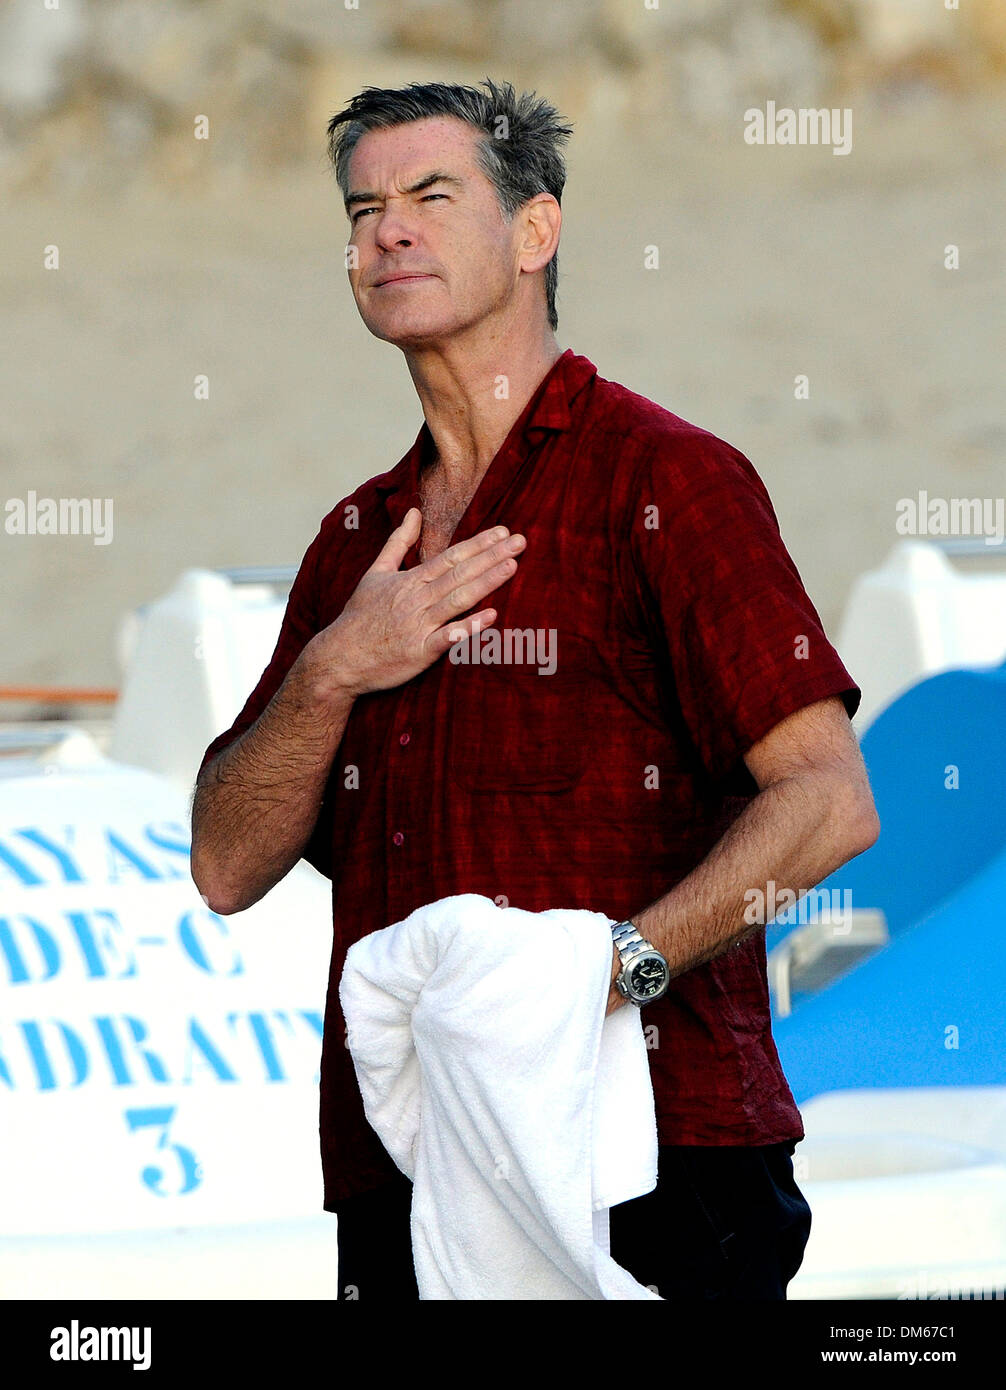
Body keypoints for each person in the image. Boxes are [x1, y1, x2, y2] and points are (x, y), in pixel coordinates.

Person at [190, 78, 879, 1301]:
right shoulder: (354, 545)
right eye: (362, 211)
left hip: (659, 1160)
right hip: (408, 1165)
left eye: (429, 196)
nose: (385, 232)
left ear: (534, 232)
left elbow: (827, 803)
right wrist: (332, 667)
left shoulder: (669, 482)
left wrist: (601, 978)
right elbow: (226, 866)